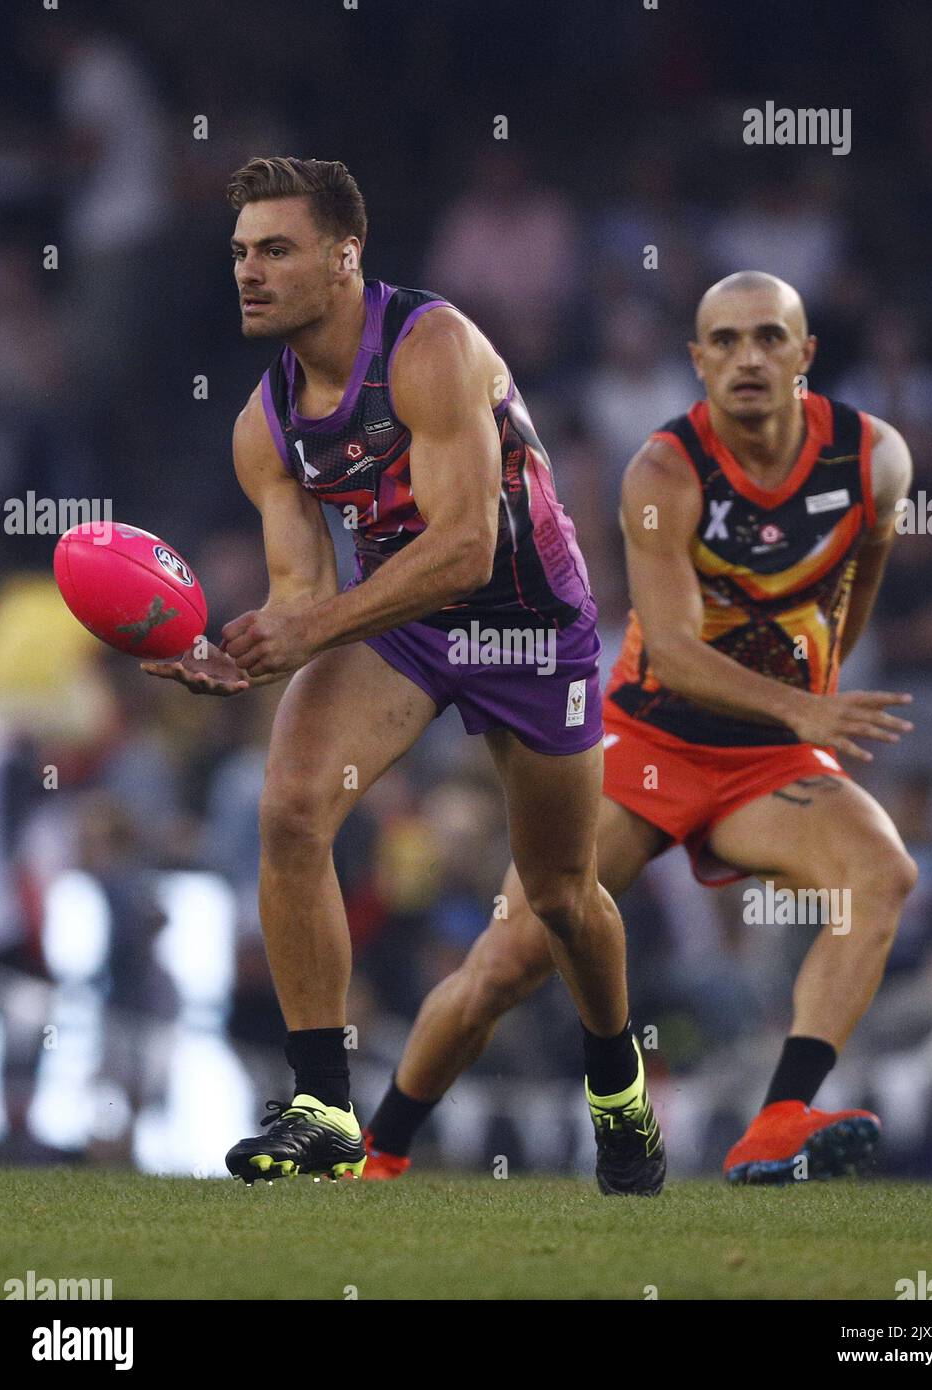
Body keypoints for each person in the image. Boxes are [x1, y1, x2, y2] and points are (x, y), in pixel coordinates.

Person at [141, 157, 664, 1195]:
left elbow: (468, 548)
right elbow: (300, 589)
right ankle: (324, 1104)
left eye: (276, 250)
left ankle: (616, 1085)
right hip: (405, 623)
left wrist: (314, 627)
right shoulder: (265, 420)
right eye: (241, 251)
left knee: (560, 896)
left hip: (527, 624)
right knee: (289, 807)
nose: (249, 271)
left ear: (345, 258)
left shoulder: (432, 346)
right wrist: (240, 651)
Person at [362, 271, 918, 1186]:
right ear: (697, 361)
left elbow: (865, 571)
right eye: (726, 341)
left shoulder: (875, 460)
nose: (748, 357)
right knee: (505, 964)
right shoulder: (664, 470)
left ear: (806, 355)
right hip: (647, 745)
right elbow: (668, 643)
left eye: (770, 338)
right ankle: (381, 1151)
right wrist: (804, 704)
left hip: (766, 757)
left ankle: (778, 1118)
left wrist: (812, 690)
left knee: (882, 875)